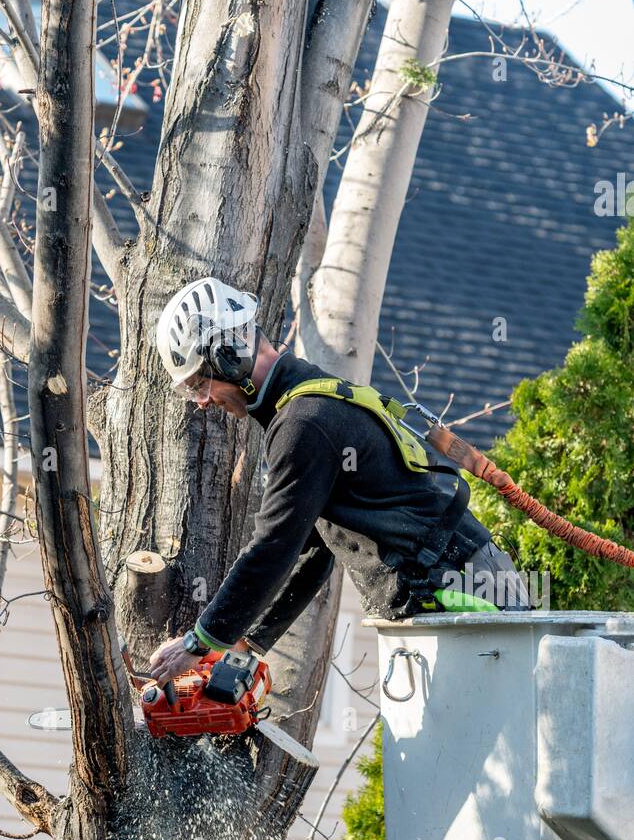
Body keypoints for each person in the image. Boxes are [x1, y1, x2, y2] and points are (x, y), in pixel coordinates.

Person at [149, 276, 531, 686]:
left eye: (200, 384)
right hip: (456, 584)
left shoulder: (304, 423)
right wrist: (249, 643)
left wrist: (199, 642)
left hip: (463, 590)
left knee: (473, 744)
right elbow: (317, 547)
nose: (203, 401)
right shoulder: (306, 407)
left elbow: (273, 547)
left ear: (229, 355)